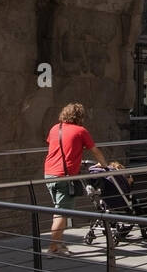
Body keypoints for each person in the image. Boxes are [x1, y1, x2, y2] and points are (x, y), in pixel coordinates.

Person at [43, 102, 108, 254]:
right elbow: (95, 150)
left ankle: (60, 244)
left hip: (48, 174)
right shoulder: (80, 131)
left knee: (58, 210)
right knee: (62, 212)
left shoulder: (55, 128)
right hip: (64, 176)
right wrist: (104, 165)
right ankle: (52, 247)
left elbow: (57, 147)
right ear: (80, 117)